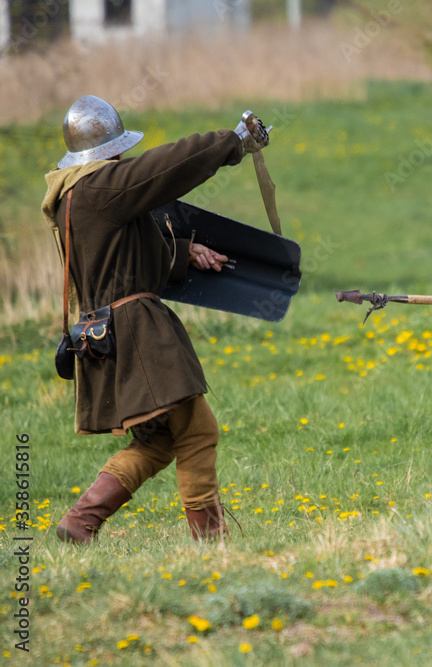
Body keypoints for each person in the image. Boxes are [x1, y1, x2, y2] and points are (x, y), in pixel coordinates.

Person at [41, 95, 270, 543]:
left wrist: (183, 252)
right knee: (198, 429)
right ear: (108, 151)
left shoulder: (75, 194)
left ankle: (80, 523)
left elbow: (116, 258)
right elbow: (168, 166)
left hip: (110, 330)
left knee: (160, 440)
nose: (124, 158)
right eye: (119, 151)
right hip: (134, 332)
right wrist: (234, 141)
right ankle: (211, 541)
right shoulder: (99, 186)